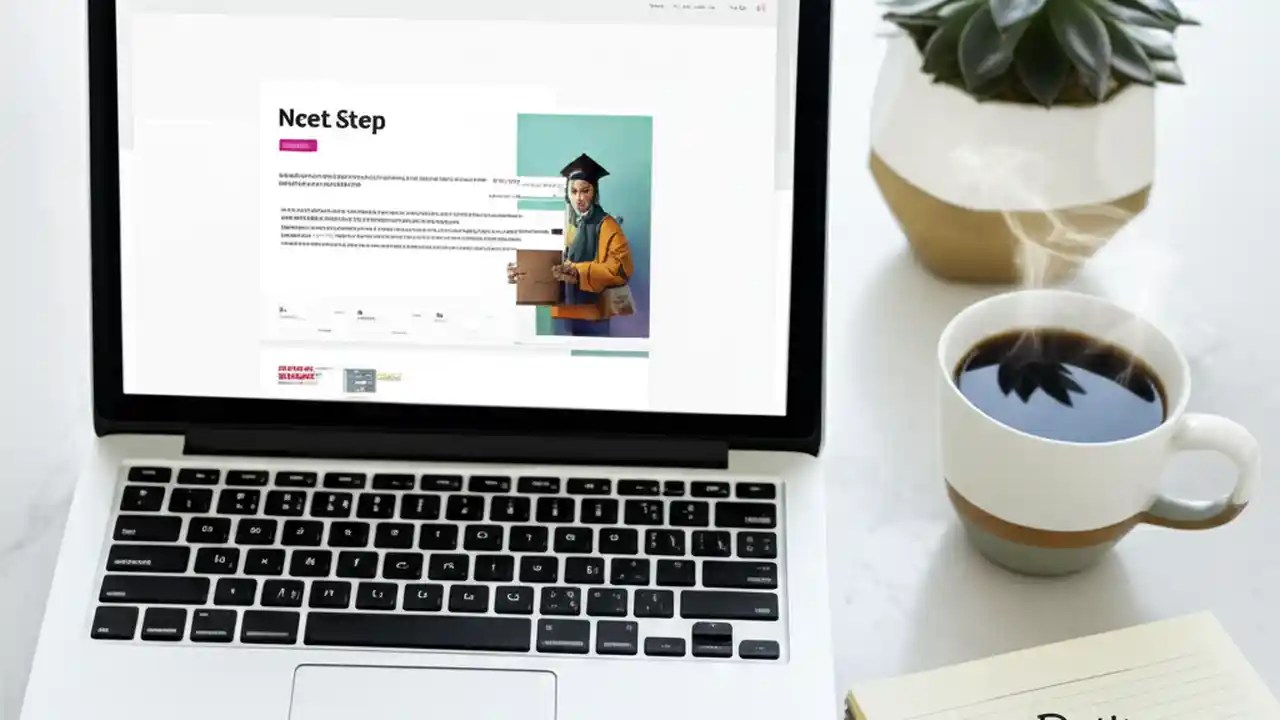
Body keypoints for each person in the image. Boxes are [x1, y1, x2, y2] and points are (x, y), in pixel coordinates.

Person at [507, 153, 634, 337]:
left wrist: (578, 272)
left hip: (592, 316)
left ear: (595, 192)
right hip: (558, 316)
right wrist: (523, 271)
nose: (579, 198)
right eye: (574, 192)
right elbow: (549, 265)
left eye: (585, 191)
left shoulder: (607, 225)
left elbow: (621, 271)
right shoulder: (563, 226)